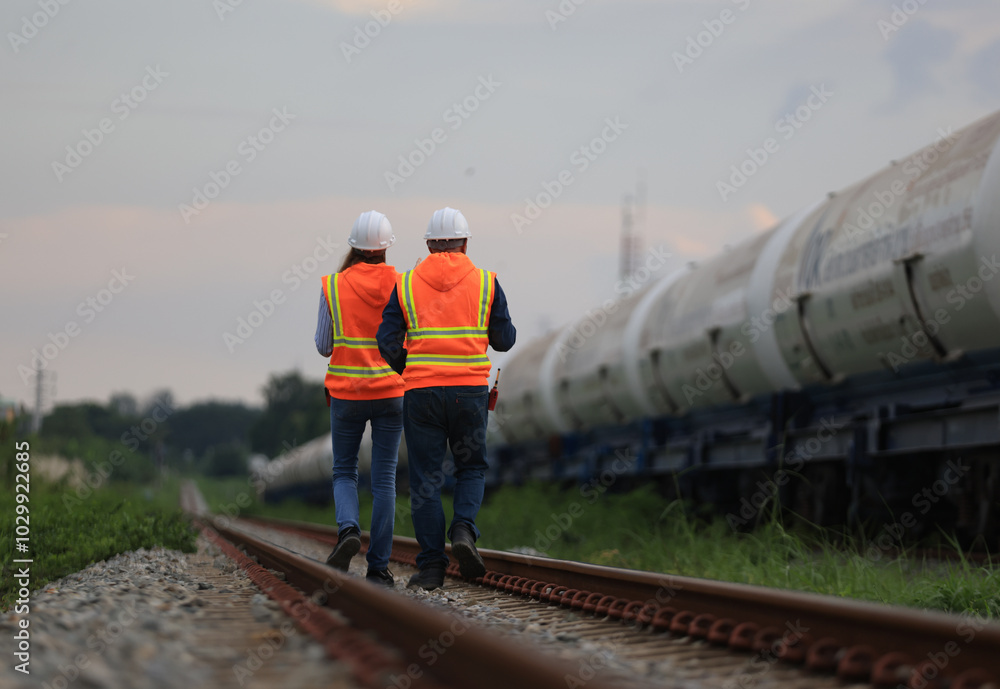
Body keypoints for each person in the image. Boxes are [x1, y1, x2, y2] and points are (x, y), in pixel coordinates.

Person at [377, 207, 516, 590]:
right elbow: (504, 341)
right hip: (469, 394)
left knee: (425, 479)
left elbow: (386, 339)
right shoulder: (487, 283)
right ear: (465, 243)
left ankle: (433, 569)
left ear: (428, 245)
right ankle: (464, 530)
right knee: (471, 467)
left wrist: (410, 367)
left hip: (421, 393)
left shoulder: (405, 284)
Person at [315, 210, 405, 587]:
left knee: (344, 472)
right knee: (384, 479)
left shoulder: (333, 286)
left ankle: (348, 529)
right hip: (391, 392)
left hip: (346, 393)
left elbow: (323, 346)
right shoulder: (403, 283)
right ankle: (380, 568)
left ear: (353, 246)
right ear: (385, 247)